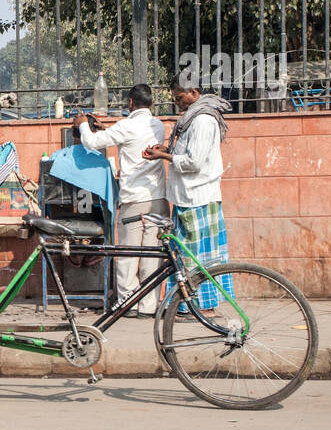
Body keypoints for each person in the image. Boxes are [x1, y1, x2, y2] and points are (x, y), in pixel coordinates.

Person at [142, 74, 234, 315]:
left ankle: (204, 307)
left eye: (180, 98)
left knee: (200, 258)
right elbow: (184, 151)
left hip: (199, 198)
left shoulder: (203, 121)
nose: (178, 103)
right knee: (183, 255)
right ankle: (185, 304)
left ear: (193, 92)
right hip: (186, 198)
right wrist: (165, 149)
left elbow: (194, 162)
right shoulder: (190, 120)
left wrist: (164, 157)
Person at [73, 83, 167, 318]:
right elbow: (131, 136)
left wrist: (83, 125)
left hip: (133, 201)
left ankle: (128, 304)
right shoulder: (157, 125)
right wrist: (108, 128)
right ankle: (148, 307)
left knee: (127, 255)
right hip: (158, 199)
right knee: (152, 257)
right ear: (151, 104)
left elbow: (92, 142)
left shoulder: (126, 126)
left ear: (131, 103)